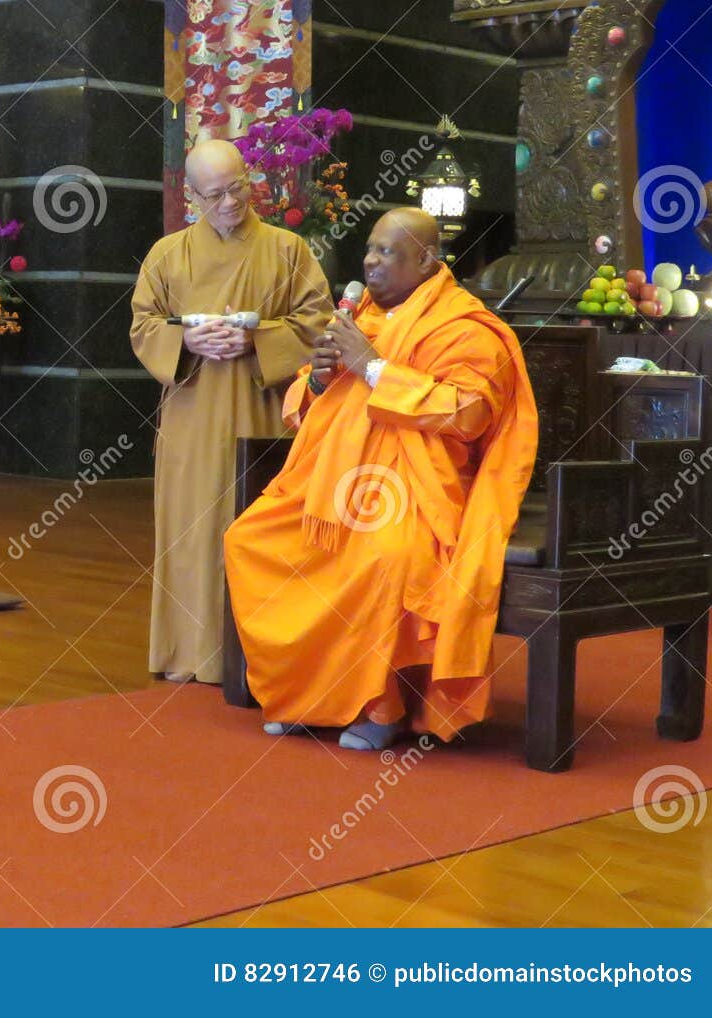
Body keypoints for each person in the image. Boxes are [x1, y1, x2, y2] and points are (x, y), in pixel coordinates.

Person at [224, 208, 538, 748]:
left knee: (384, 557)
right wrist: (321, 379)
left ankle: (381, 709)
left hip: (416, 486)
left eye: (387, 252)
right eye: (369, 249)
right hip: (328, 480)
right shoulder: (356, 317)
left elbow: (467, 414)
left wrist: (373, 367)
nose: (371, 261)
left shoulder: (465, 326)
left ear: (426, 259)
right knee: (250, 540)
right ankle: (307, 697)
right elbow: (303, 410)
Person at [129, 138, 332, 683]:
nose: (229, 203)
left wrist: (259, 340)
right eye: (215, 194)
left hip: (261, 410)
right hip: (192, 414)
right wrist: (189, 342)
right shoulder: (167, 255)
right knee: (190, 531)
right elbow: (144, 326)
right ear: (190, 195)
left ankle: (260, 660)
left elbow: (319, 323)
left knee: (257, 530)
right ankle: (186, 652)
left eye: (238, 188)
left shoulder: (289, 250)